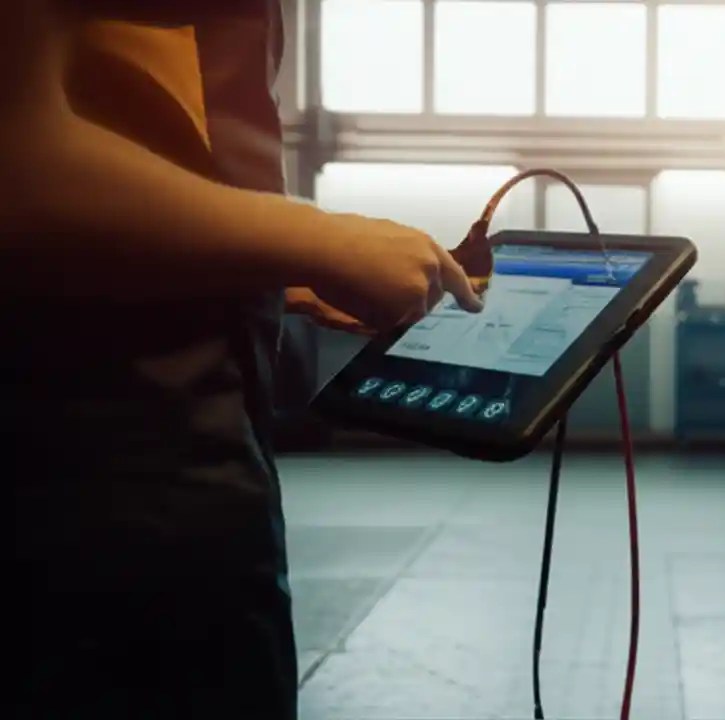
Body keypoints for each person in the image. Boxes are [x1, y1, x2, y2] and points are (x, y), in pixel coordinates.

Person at [1, 2, 483, 717]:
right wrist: (317, 240)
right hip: (71, 484)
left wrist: (270, 266)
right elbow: (18, 167)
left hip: (191, 460)